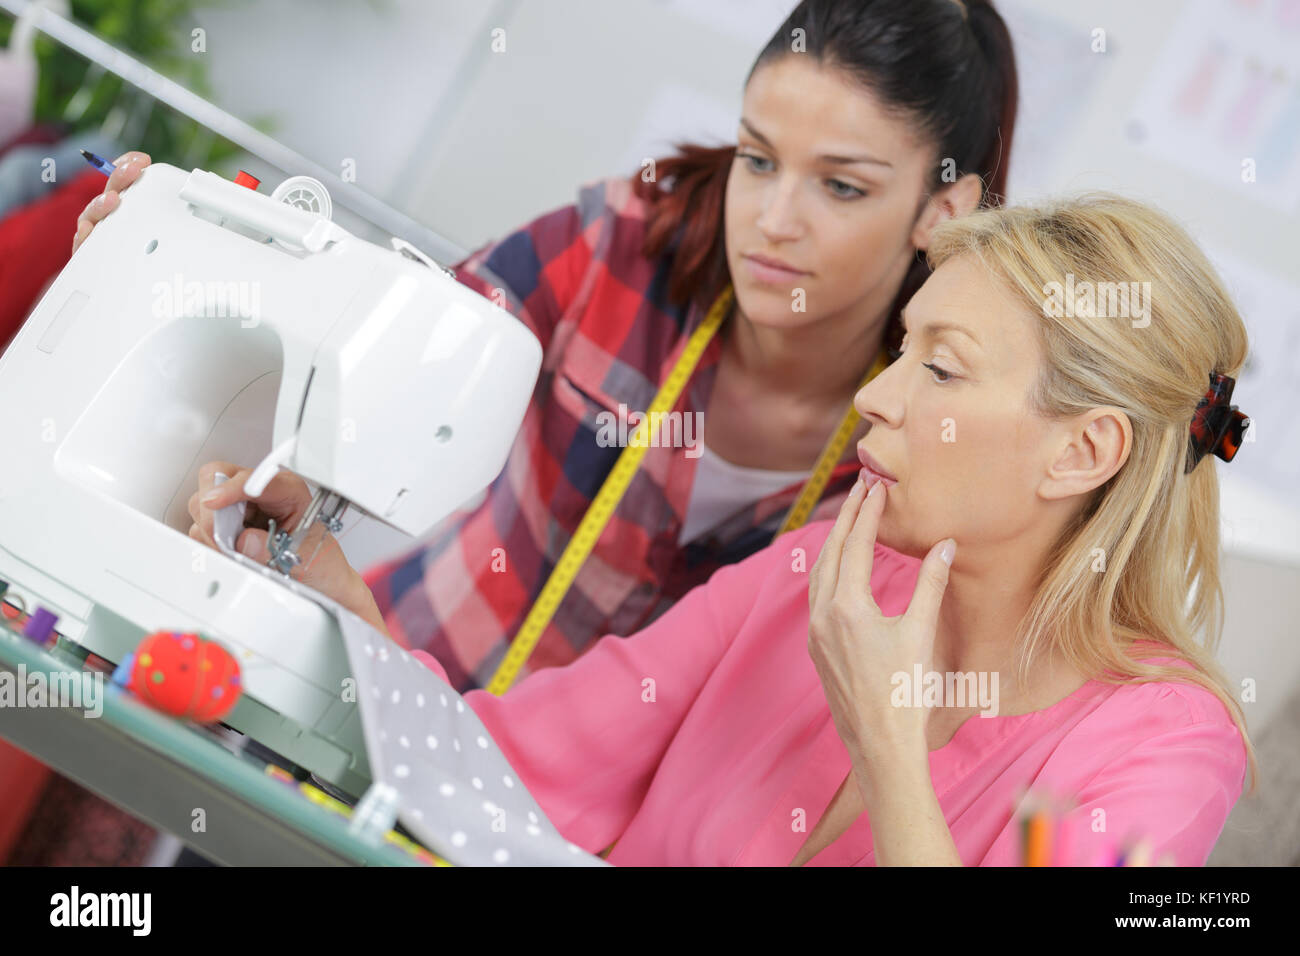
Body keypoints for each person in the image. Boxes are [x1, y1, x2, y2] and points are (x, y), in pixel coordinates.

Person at [73, 0, 1020, 693]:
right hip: (375, 672)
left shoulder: (923, 452)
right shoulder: (619, 243)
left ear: (944, 210)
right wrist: (185, 255)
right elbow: (390, 332)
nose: (772, 221)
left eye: (841, 188)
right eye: (758, 159)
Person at [399, 194, 1258, 866]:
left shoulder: (1168, 746)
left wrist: (886, 744)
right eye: (901, 354)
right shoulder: (821, 567)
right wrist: (310, 581)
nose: (874, 399)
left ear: (1081, 451)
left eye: (943, 369)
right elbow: (496, 763)